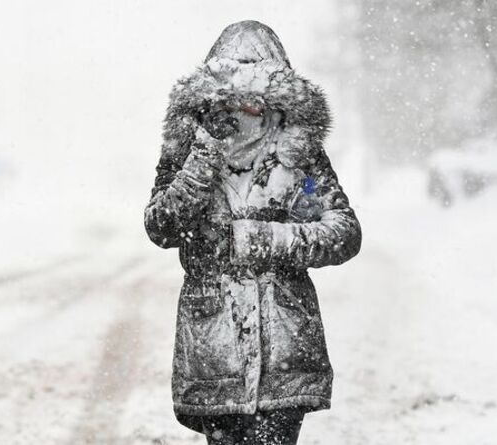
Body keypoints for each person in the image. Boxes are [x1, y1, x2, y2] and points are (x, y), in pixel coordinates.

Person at [144, 20, 362, 445]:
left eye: (256, 98)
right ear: (213, 97)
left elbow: (343, 232)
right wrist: (202, 160)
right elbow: (161, 226)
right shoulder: (190, 149)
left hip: (286, 346)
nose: (245, 109)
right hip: (213, 350)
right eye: (233, 98)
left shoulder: (299, 156)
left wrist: (262, 240)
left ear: (276, 98)